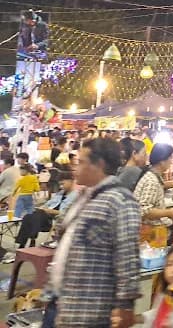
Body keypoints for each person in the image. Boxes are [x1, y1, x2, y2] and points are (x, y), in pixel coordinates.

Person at [44, 138, 140, 328]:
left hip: (91, 312)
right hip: (64, 304)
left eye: (81, 162)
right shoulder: (85, 196)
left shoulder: (120, 200)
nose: (75, 168)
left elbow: (127, 256)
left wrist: (125, 305)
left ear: (99, 164)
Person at [134, 144, 173, 248]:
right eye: (170, 158)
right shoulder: (151, 180)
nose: (171, 162)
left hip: (153, 232)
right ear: (162, 160)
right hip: (151, 233)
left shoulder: (153, 176)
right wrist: (169, 212)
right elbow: (144, 210)